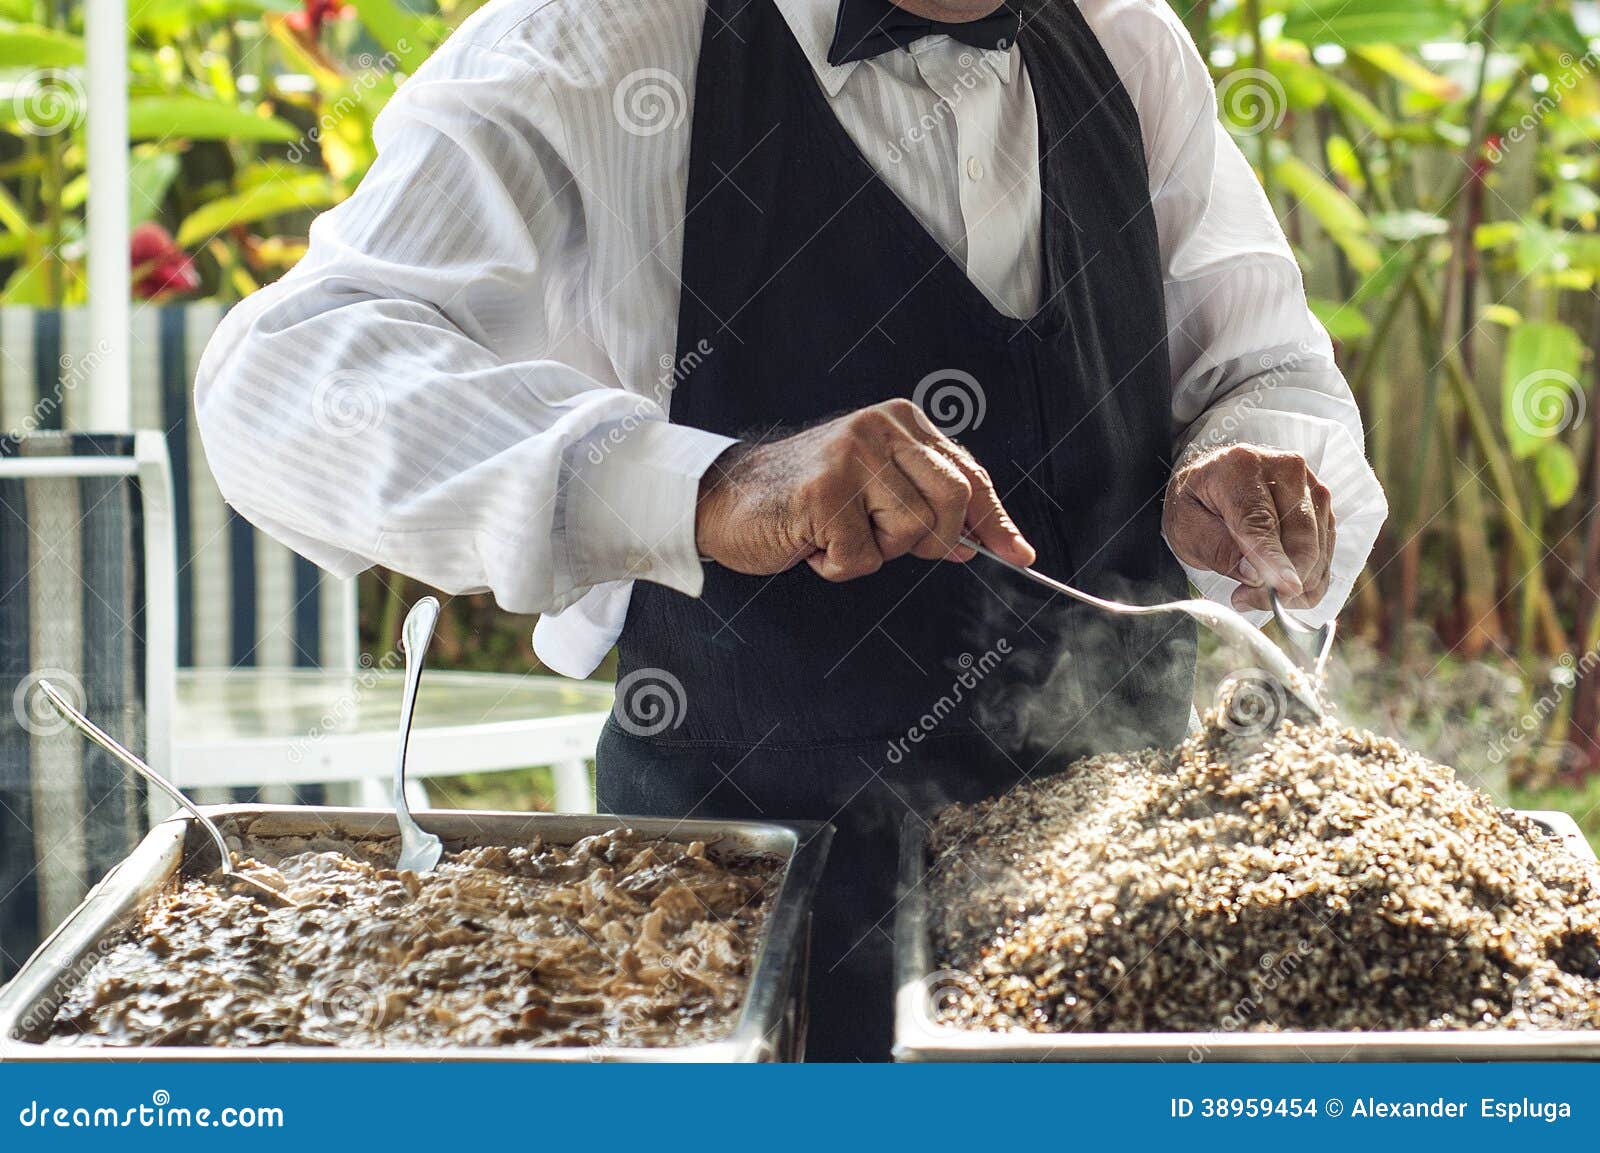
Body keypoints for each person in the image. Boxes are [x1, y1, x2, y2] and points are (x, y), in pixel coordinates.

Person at [196, 0, 1388, 1059]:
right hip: (741, 930)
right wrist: (705, 485)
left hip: (1123, 944)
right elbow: (280, 379)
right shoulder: (602, 38)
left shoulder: (1127, 43)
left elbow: (1266, 362)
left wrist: (1237, 451)